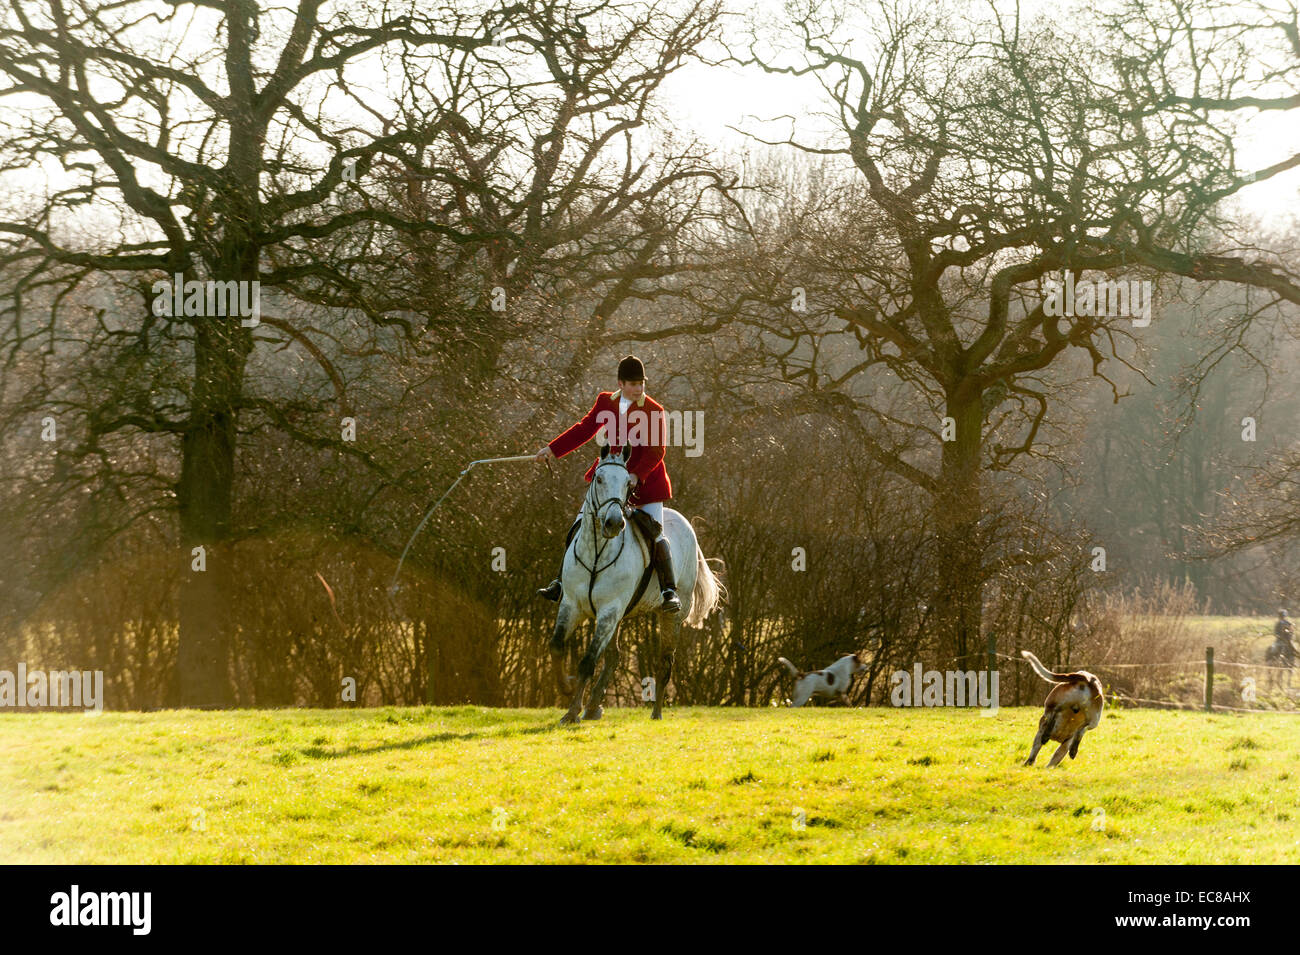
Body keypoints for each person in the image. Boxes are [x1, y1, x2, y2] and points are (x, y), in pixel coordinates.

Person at [534, 355, 681, 613]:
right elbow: (583, 429)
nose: (638, 389)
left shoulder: (654, 410)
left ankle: (669, 591)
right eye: (633, 384)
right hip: (610, 482)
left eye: (641, 384)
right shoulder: (605, 401)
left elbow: (657, 451)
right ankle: (560, 582)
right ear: (620, 383)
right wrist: (552, 449)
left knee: (656, 534)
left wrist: (636, 474)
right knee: (580, 524)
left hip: (645, 484)